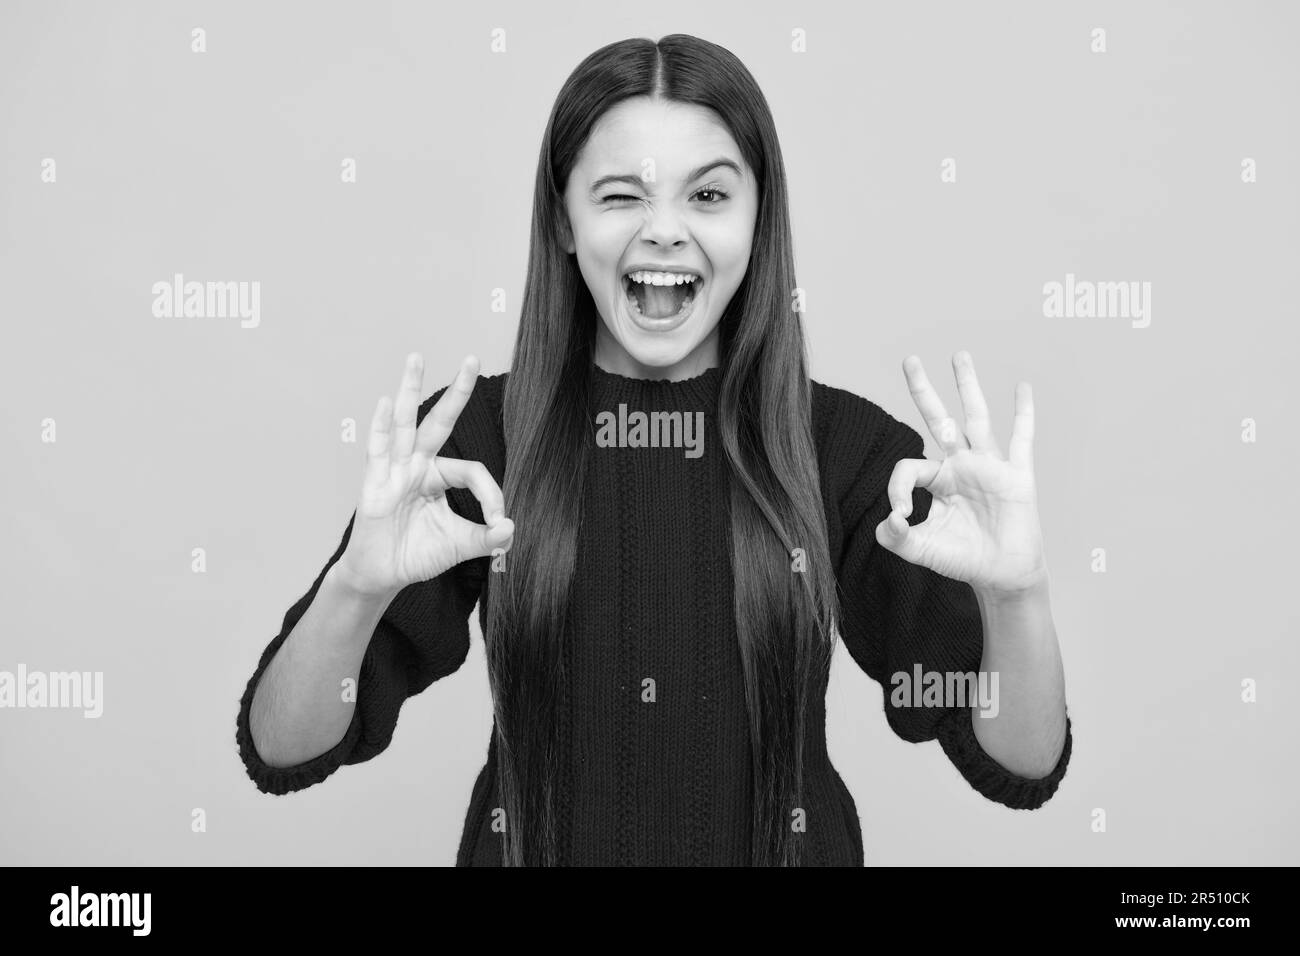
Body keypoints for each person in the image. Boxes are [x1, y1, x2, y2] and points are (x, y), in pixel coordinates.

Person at [235, 33, 1072, 867]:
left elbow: (1017, 758)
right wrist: (355, 589)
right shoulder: (477, 443)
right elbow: (283, 747)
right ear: (563, 221)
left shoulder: (841, 451)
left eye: (708, 196)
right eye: (620, 196)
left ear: (756, 222)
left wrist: (1017, 597)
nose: (665, 231)